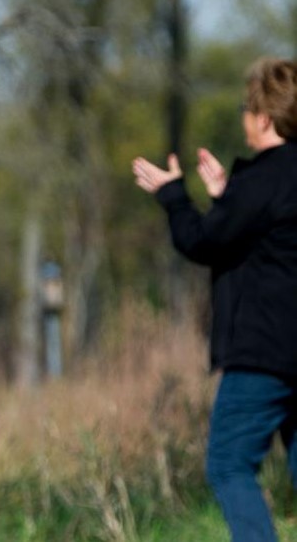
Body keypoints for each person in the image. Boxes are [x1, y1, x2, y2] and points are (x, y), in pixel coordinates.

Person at [132, 57, 297, 542]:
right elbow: (259, 236)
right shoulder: (271, 183)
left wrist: (173, 196)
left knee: (228, 464)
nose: (245, 115)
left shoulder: (263, 178)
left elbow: (203, 241)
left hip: (262, 353)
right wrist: (227, 195)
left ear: (264, 117)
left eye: (248, 107)